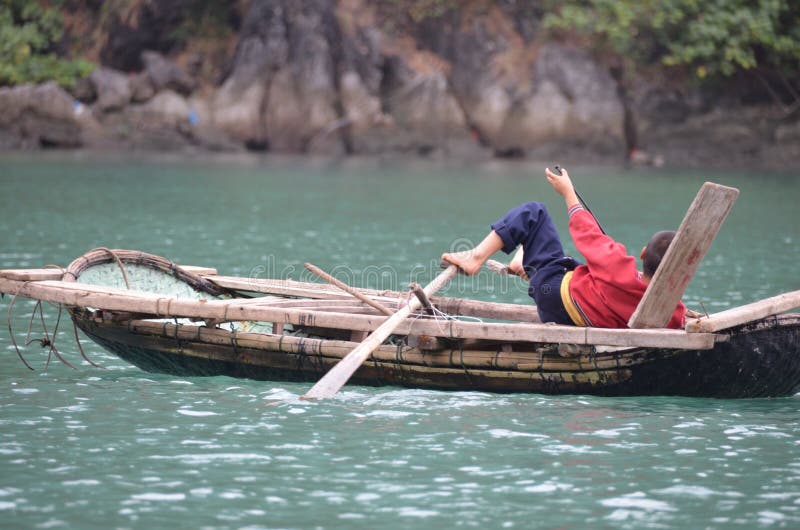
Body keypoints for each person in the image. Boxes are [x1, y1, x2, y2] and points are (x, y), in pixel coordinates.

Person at [441, 167, 686, 329]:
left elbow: (588, 233)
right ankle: (524, 264)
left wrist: (568, 192)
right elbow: (678, 319)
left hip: (554, 295)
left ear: (642, 253)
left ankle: (475, 258)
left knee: (534, 213)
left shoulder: (618, 266)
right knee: (571, 265)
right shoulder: (672, 312)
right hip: (570, 310)